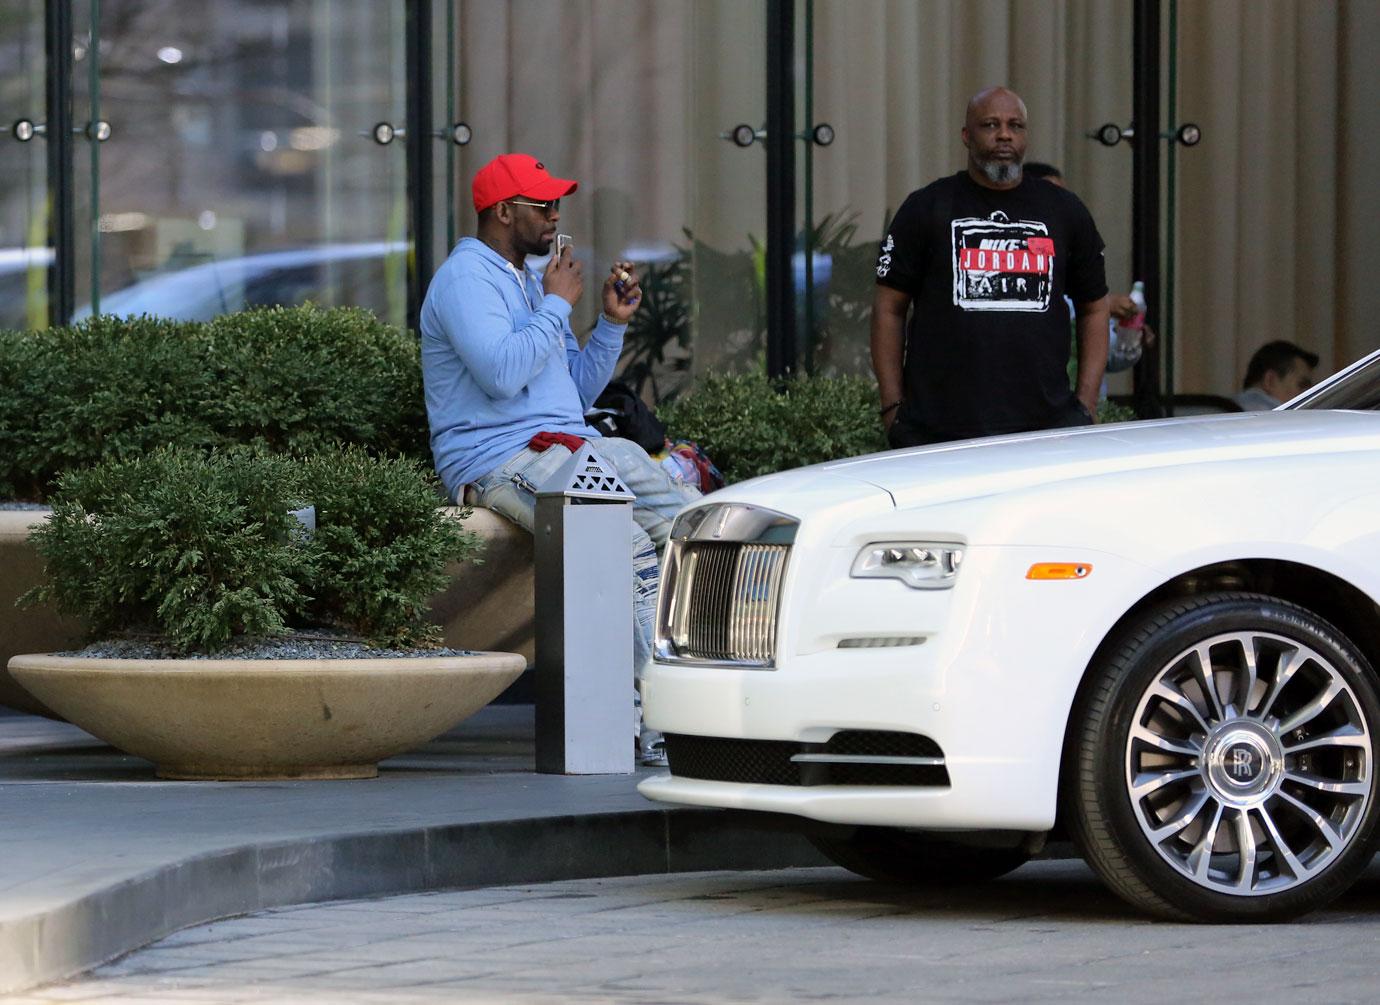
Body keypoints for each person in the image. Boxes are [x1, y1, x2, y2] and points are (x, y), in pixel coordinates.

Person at [419, 153, 700, 765]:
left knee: (696, 526)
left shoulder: (528, 281)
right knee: (623, 546)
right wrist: (556, 304)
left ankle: (709, 698)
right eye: (542, 206)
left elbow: (568, 393)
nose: (554, 217)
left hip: (571, 447)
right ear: (502, 212)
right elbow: (500, 374)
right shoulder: (468, 279)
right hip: (500, 458)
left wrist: (609, 324)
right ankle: (665, 724)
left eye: (556, 205)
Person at [871, 87, 1111, 447]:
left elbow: (1095, 306)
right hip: (938, 430)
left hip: (1045, 427)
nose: (1004, 134)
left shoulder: (1064, 210)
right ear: (967, 136)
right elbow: (888, 309)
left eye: (1015, 125)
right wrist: (892, 407)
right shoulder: (927, 207)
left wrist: (1086, 405)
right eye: (990, 124)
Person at [1023, 161, 1151, 388]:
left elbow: (1110, 359)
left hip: (1083, 411)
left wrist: (1128, 337)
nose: (1059, 203)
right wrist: (1097, 306)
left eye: (1062, 194)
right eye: (1051, 194)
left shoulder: (1074, 247)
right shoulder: (1011, 247)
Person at [1235, 340, 1319, 410]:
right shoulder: (1277, 420)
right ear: (1270, 381)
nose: (1309, 395)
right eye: (1302, 385)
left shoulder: (1229, 411)